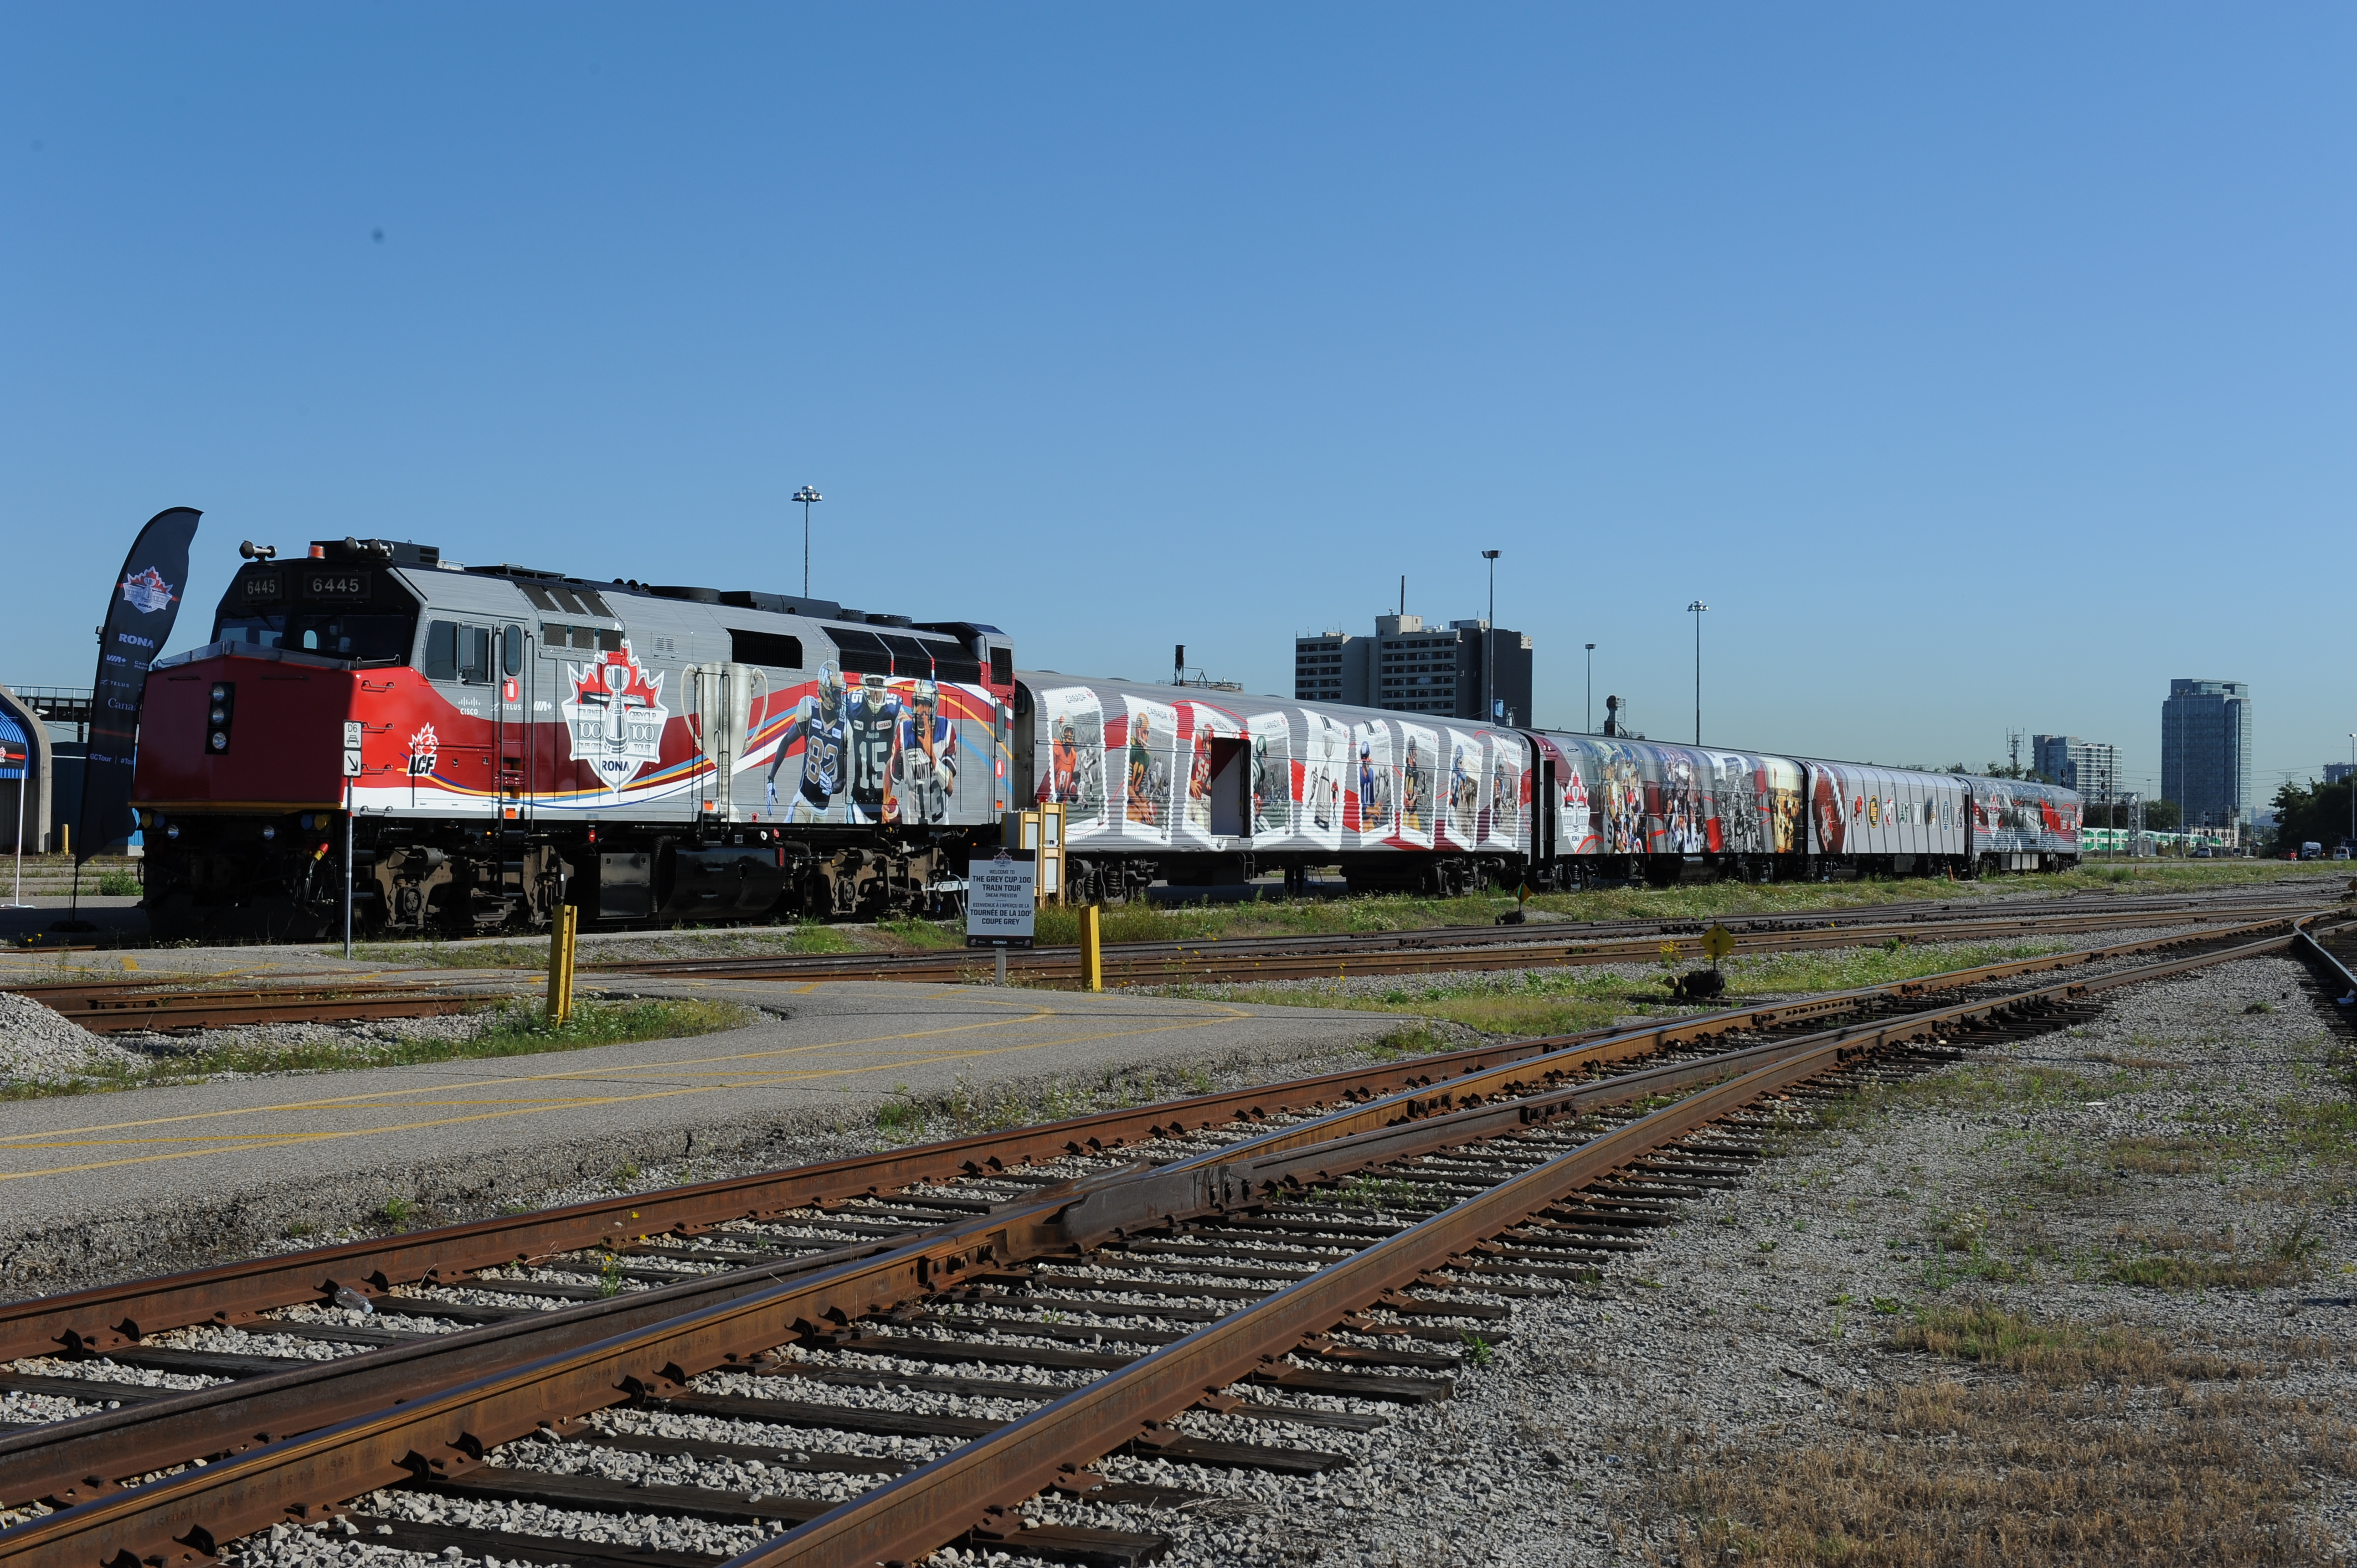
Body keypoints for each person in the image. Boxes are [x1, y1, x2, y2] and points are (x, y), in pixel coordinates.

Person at [766, 661, 848, 822]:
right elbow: (786, 742)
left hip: (822, 813)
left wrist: (832, 788)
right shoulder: (810, 712)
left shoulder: (845, 727)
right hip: (802, 803)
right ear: (826, 691)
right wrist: (771, 779)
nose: (840, 699)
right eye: (837, 693)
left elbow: (842, 780)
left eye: (841, 694)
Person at [889, 680, 956, 825]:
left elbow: (949, 787)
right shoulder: (904, 731)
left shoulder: (945, 729)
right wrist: (885, 800)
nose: (920, 711)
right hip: (914, 824)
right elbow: (892, 771)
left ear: (934, 706)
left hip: (941, 824)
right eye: (917, 703)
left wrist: (931, 754)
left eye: (925, 705)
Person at [845, 674, 901, 823]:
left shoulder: (894, 707)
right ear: (864, 686)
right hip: (859, 799)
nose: (875, 689)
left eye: (879, 682)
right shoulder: (853, 704)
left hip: (886, 802)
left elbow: (907, 732)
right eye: (872, 683)